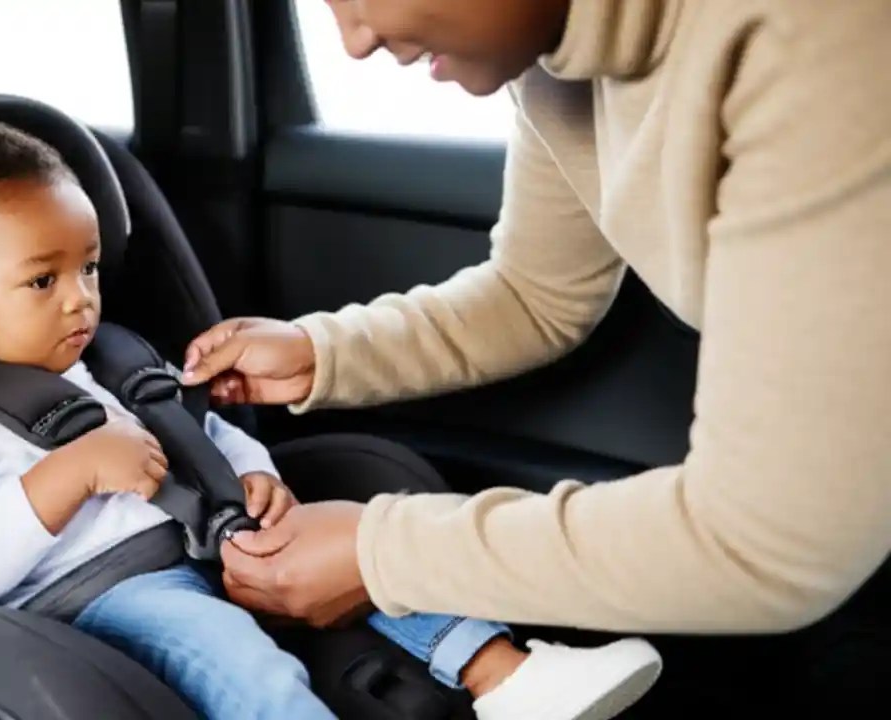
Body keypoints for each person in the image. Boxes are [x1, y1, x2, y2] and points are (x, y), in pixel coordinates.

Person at [180, 0, 891, 712]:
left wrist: (382, 556)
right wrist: (322, 352)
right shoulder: (552, 58)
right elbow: (537, 295)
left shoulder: (823, 37)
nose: (355, 42)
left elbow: (772, 539)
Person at [0, 119, 663, 720]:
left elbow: (197, 433)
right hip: (105, 596)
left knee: (365, 548)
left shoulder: (113, 356)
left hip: (211, 540)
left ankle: (508, 677)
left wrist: (252, 474)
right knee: (235, 655)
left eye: (88, 268)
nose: (80, 299)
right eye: (42, 280)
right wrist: (69, 476)